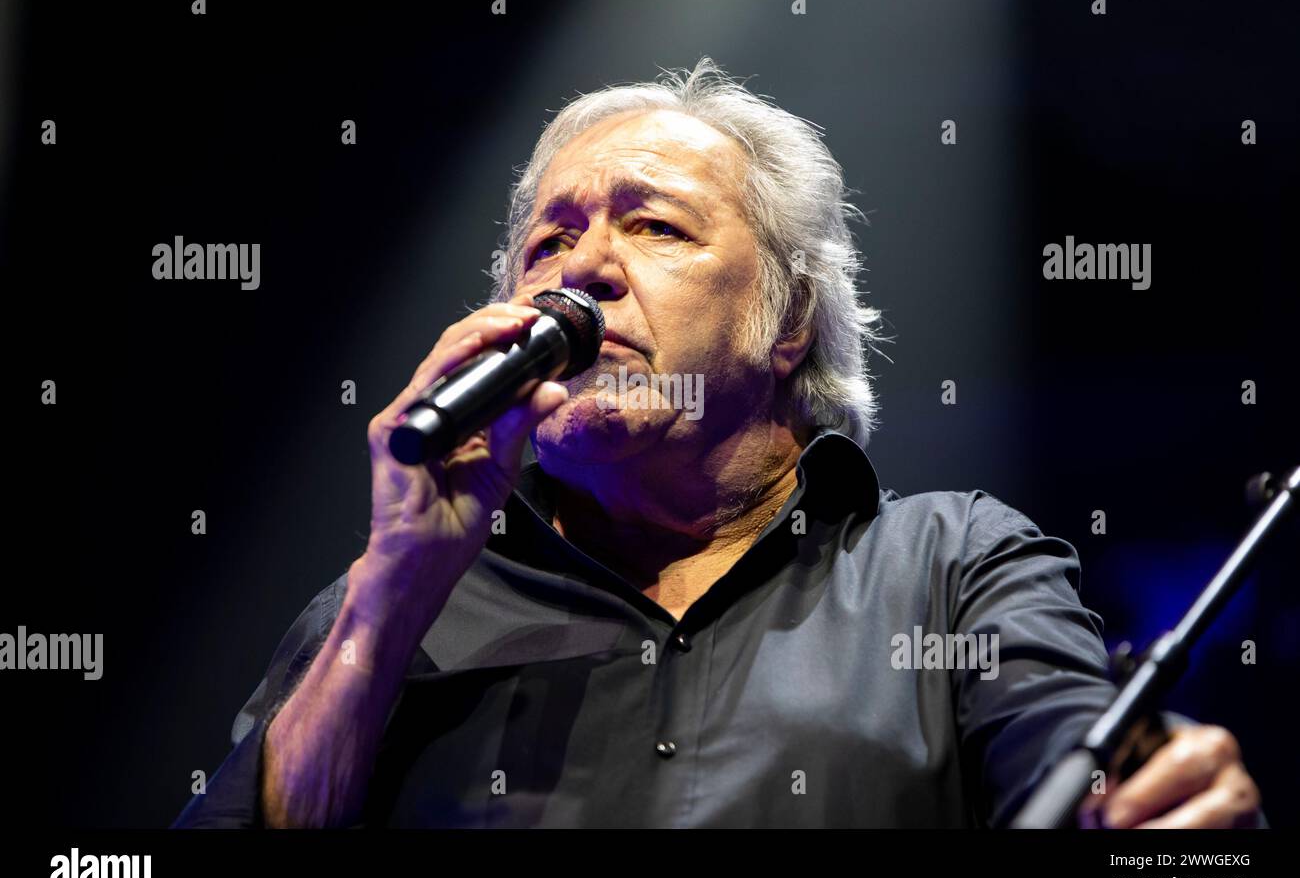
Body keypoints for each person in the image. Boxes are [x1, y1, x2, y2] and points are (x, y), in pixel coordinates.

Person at [173, 58, 1262, 829]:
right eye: (549, 240)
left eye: (653, 226)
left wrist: (1168, 826)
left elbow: (1082, 778)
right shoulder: (399, 598)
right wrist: (391, 592)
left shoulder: (948, 568)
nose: (579, 268)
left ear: (786, 321)